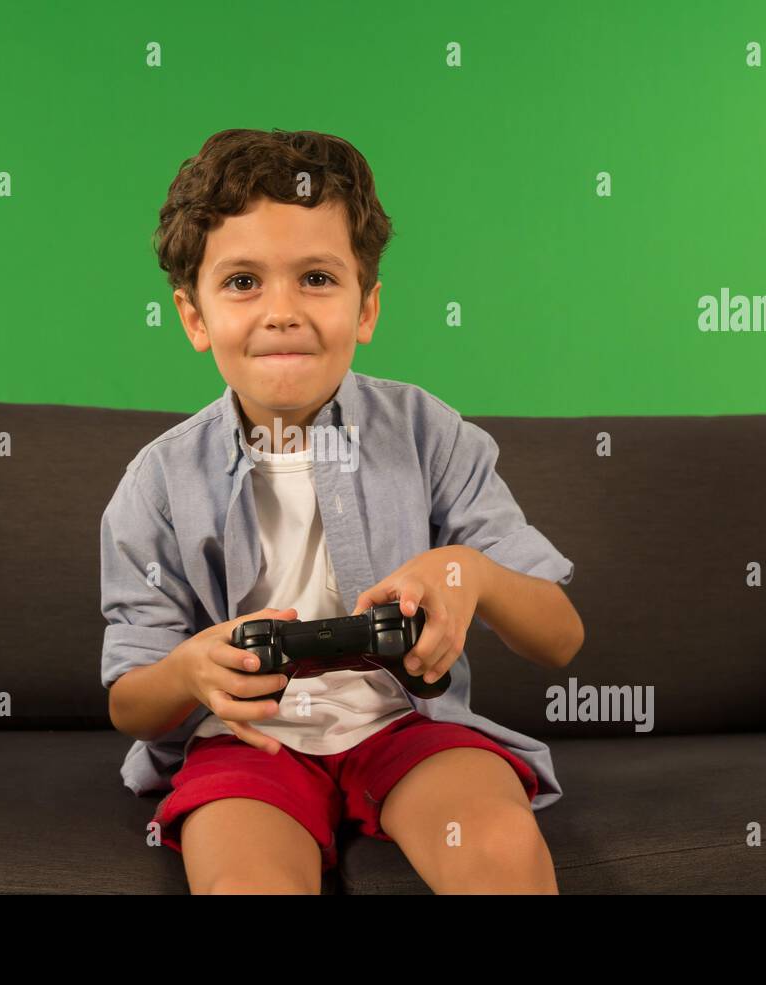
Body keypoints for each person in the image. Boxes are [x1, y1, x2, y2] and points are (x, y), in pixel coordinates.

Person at [101, 129, 584, 894]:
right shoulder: (157, 481)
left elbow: (561, 635)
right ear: (193, 317)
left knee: (499, 847)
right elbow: (130, 698)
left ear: (367, 307)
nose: (282, 311)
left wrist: (468, 573)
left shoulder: (431, 435)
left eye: (318, 277)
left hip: (408, 726)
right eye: (243, 283)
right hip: (245, 741)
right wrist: (191, 669)